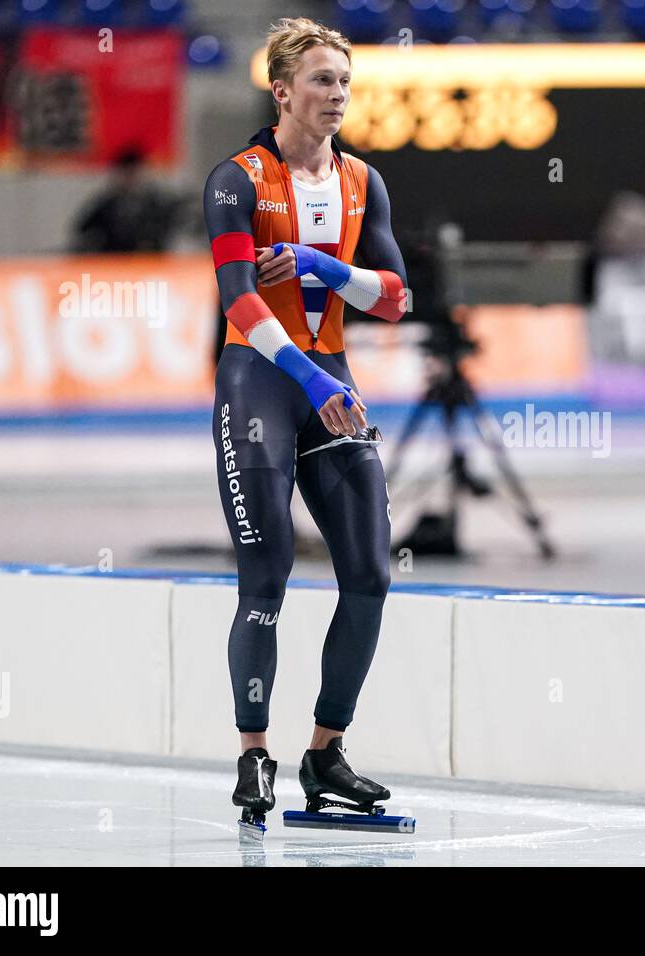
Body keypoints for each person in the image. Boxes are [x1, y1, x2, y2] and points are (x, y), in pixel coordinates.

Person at [203, 17, 409, 833]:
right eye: (322, 82)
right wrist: (313, 378)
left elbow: (395, 299)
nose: (338, 97)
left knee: (371, 574)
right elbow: (238, 299)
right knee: (269, 579)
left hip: (330, 383)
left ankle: (325, 752)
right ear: (281, 91)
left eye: (346, 84)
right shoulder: (236, 178)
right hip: (262, 382)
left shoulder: (365, 181)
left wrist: (327, 267)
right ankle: (255, 751)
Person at [72, 147, 181, 253]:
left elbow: (167, 230)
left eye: (134, 173)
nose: (131, 179)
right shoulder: (107, 205)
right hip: (116, 262)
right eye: (126, 173)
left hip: (150, 263)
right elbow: (83, 229)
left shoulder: (156, 204)